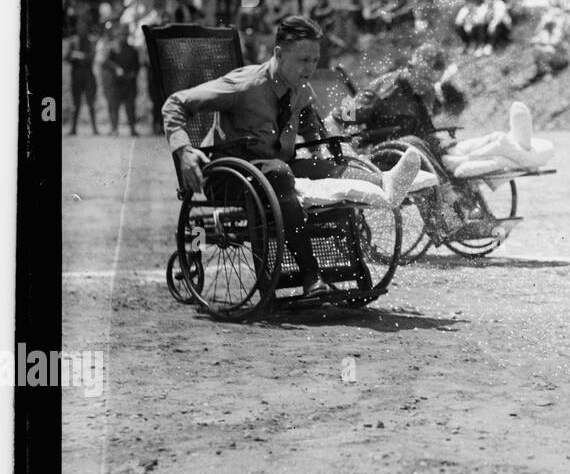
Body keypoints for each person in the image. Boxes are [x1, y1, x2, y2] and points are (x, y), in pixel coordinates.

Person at [162, 15, 417, 298]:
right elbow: (175, 103)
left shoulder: (300, 87)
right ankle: (311, 276)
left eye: (315, 60)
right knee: (280, 172)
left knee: (323, 167)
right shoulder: (244, 85)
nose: (310, 68)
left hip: (273, 169)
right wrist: (184, 151)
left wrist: (318, 146)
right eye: (303, 60)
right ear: (279, 54)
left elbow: (308, 120)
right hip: (229, 177)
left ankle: (385, 183)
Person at [102, 24, 142, 135]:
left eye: (125, 34)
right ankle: (114, 129)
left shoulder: (132, 50)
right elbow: (106, 62)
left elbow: (137, 66)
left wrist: (133, 74)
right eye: (121, 34)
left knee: (130, 107)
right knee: (114, 106)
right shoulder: (113, 49)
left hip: (129, 84)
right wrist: (116, 68)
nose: (123, 36)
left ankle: (132, 129)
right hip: (117, 83)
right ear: (118, 35)